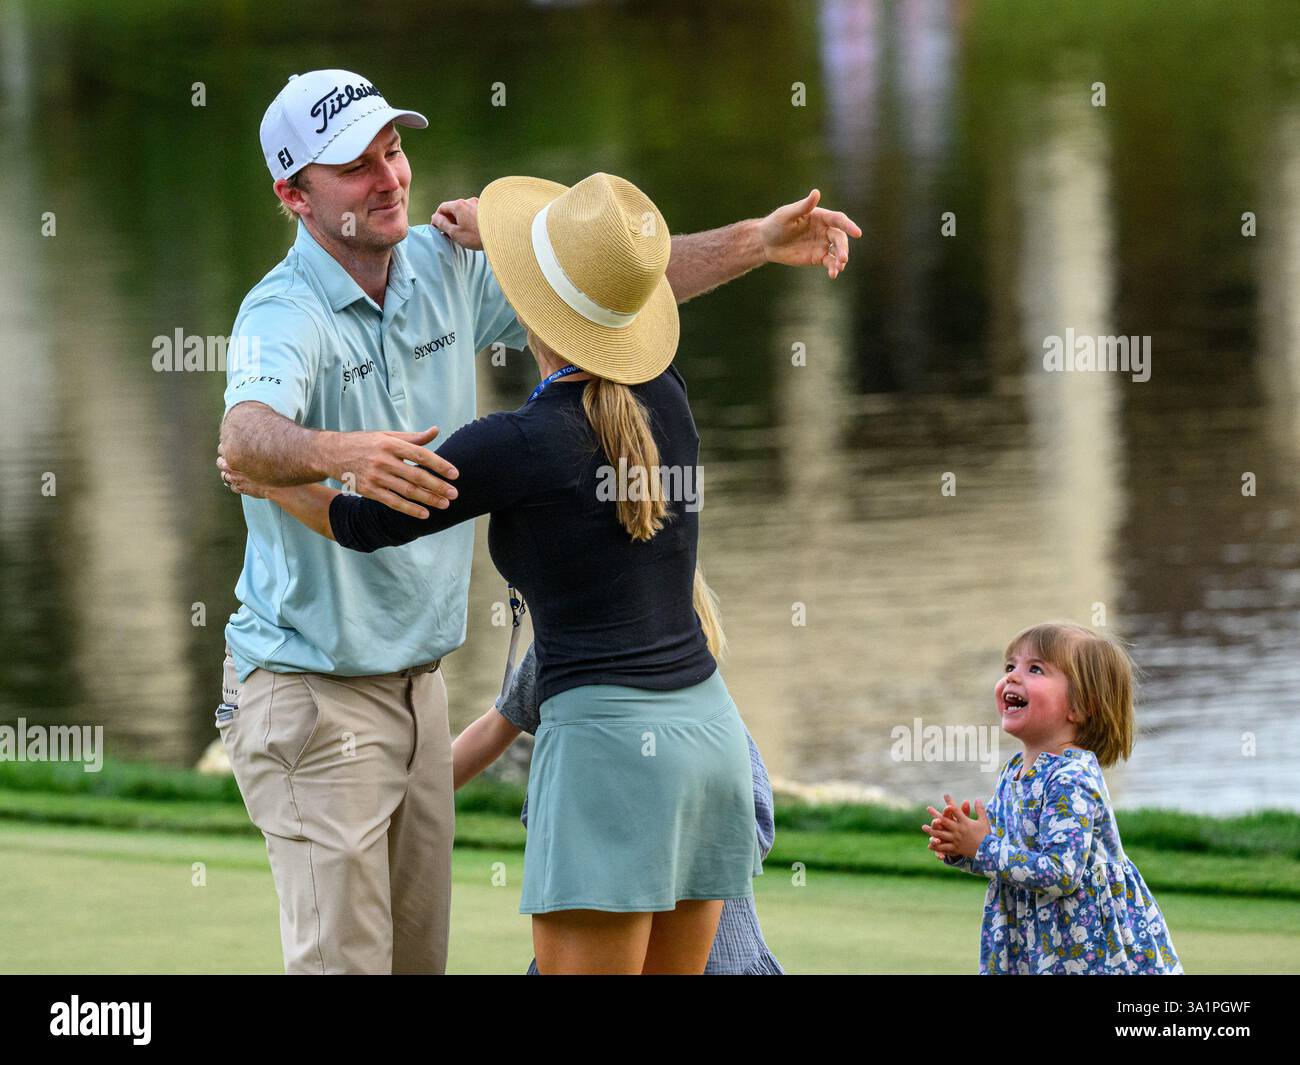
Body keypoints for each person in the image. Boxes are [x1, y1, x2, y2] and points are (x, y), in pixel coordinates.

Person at [216, 67, 861, 975]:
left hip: (418, 684)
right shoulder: (281, 313)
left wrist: (755, 241)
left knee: (414, 964)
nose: (392, 178)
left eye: (394, 150)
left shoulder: (443, 268)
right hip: (313, 685)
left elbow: (608, 280)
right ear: (294, 193)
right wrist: (342, 452)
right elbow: (243, 435)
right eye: (357, 166)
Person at [457, 641, 786, 975]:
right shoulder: (561, 644)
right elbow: (496, 725)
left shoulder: (696, 696)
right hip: (587, 939)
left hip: (719, 953)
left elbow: (750, 835)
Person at [923, 622, 1183, 975]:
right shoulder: (1015, 770)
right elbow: (1009, 858)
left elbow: (1061, 873)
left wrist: (982, 847)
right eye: (1010, 666)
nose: (1013, 677)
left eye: (1035, 669)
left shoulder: (1071, 776)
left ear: (1080, 705)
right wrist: (964, 847)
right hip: (1034, 938)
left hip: (1086, 946)